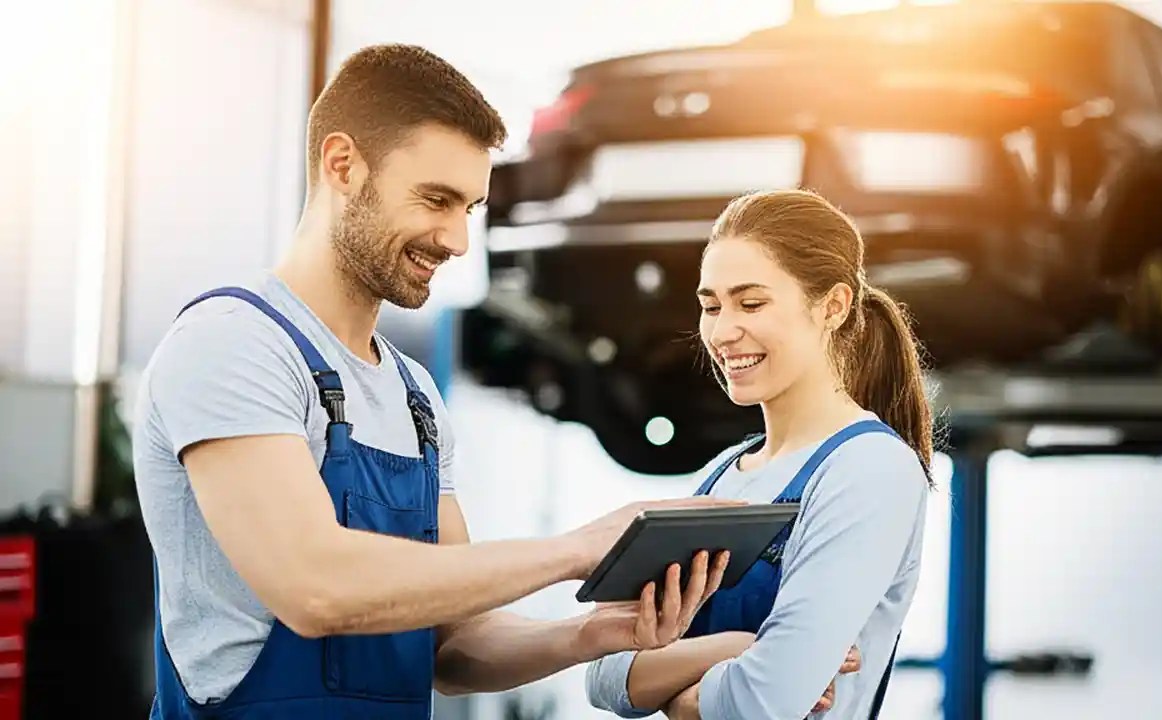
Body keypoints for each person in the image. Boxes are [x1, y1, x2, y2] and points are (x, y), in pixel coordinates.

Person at [132, 44, 736, 720]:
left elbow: (455, 646)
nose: (457, 241)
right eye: (435, 199)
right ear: (343, 166)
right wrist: (577, 551)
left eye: (470, 208)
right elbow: (314, 587)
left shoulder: (415, 396)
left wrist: (592, 635)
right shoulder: (235, 343)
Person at [585, 188, 935, 720]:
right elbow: (604, 678)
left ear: (833, 306)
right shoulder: (721, 474)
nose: (723, 331)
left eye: (751, 303)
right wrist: (737, 651)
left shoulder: (870, 470)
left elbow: (761, 702)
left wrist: (672, 691)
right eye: (710, 306)